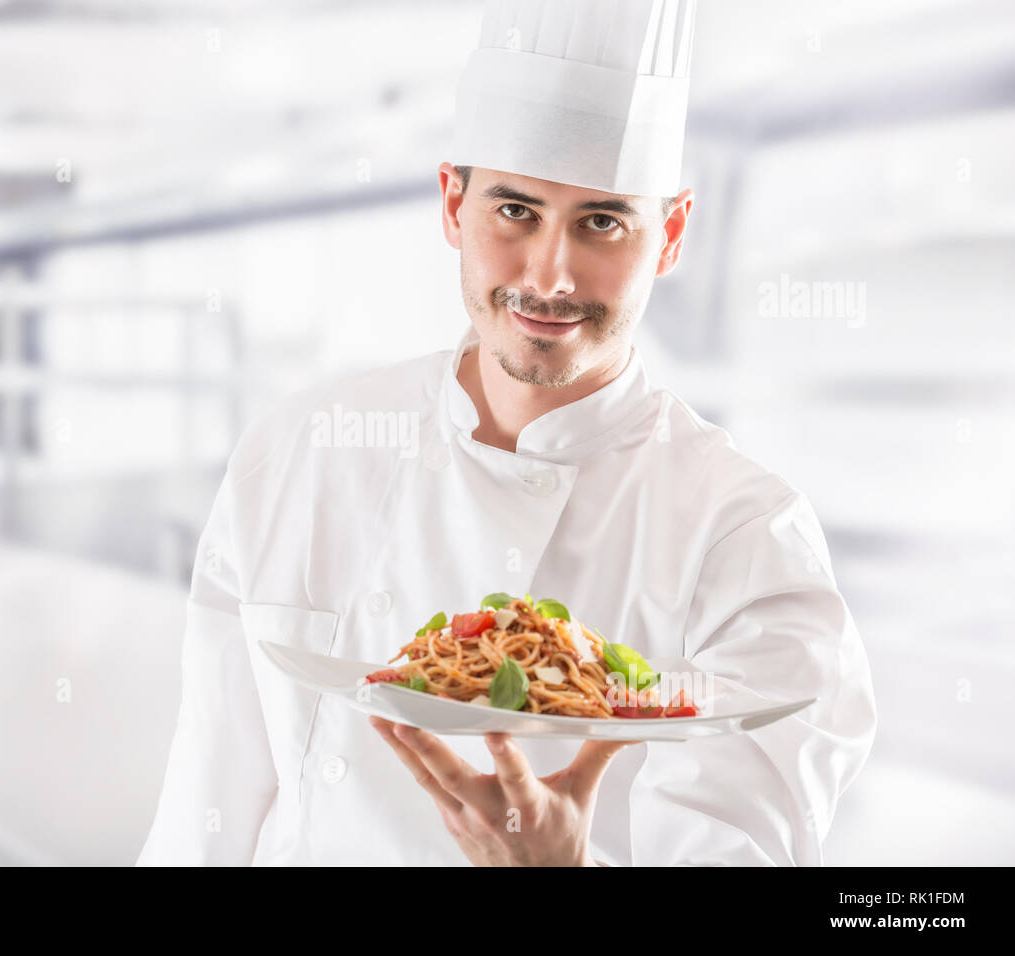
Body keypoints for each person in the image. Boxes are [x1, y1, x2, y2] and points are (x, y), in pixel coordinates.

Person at [137, 0, 876, 866]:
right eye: (516, 211)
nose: (550, 276)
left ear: (670, 234)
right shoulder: (300, 450)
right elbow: (205, 812)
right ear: (453, 203)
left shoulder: (747, 538)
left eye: (602, 221)